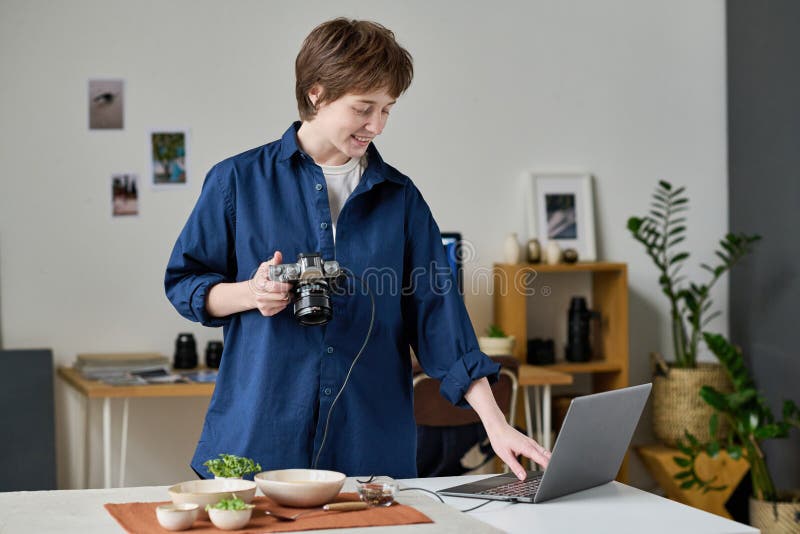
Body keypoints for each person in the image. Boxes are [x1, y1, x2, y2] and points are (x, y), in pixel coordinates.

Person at [165, 18, 550, 481]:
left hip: (369, 452)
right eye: (364, 108)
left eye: (387, 109)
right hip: (259, 444)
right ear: (317, 93)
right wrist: (251, 293)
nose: (377, 125)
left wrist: (496, 424)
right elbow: (185, 283)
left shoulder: (400, 199)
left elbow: (440, 318)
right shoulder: (237, 181)